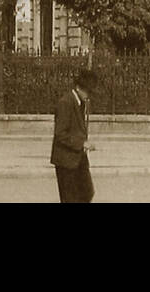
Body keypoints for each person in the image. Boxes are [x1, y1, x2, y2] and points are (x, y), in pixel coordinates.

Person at [51, 69, 97, 203]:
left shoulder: (79, 103)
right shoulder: (65, 102)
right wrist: (82, 143)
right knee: (70, 199)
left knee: (87, 192)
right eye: (87, 91)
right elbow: (60, 134)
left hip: (78, 159)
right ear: (78, 87)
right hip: (66, 161)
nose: (89, 95)